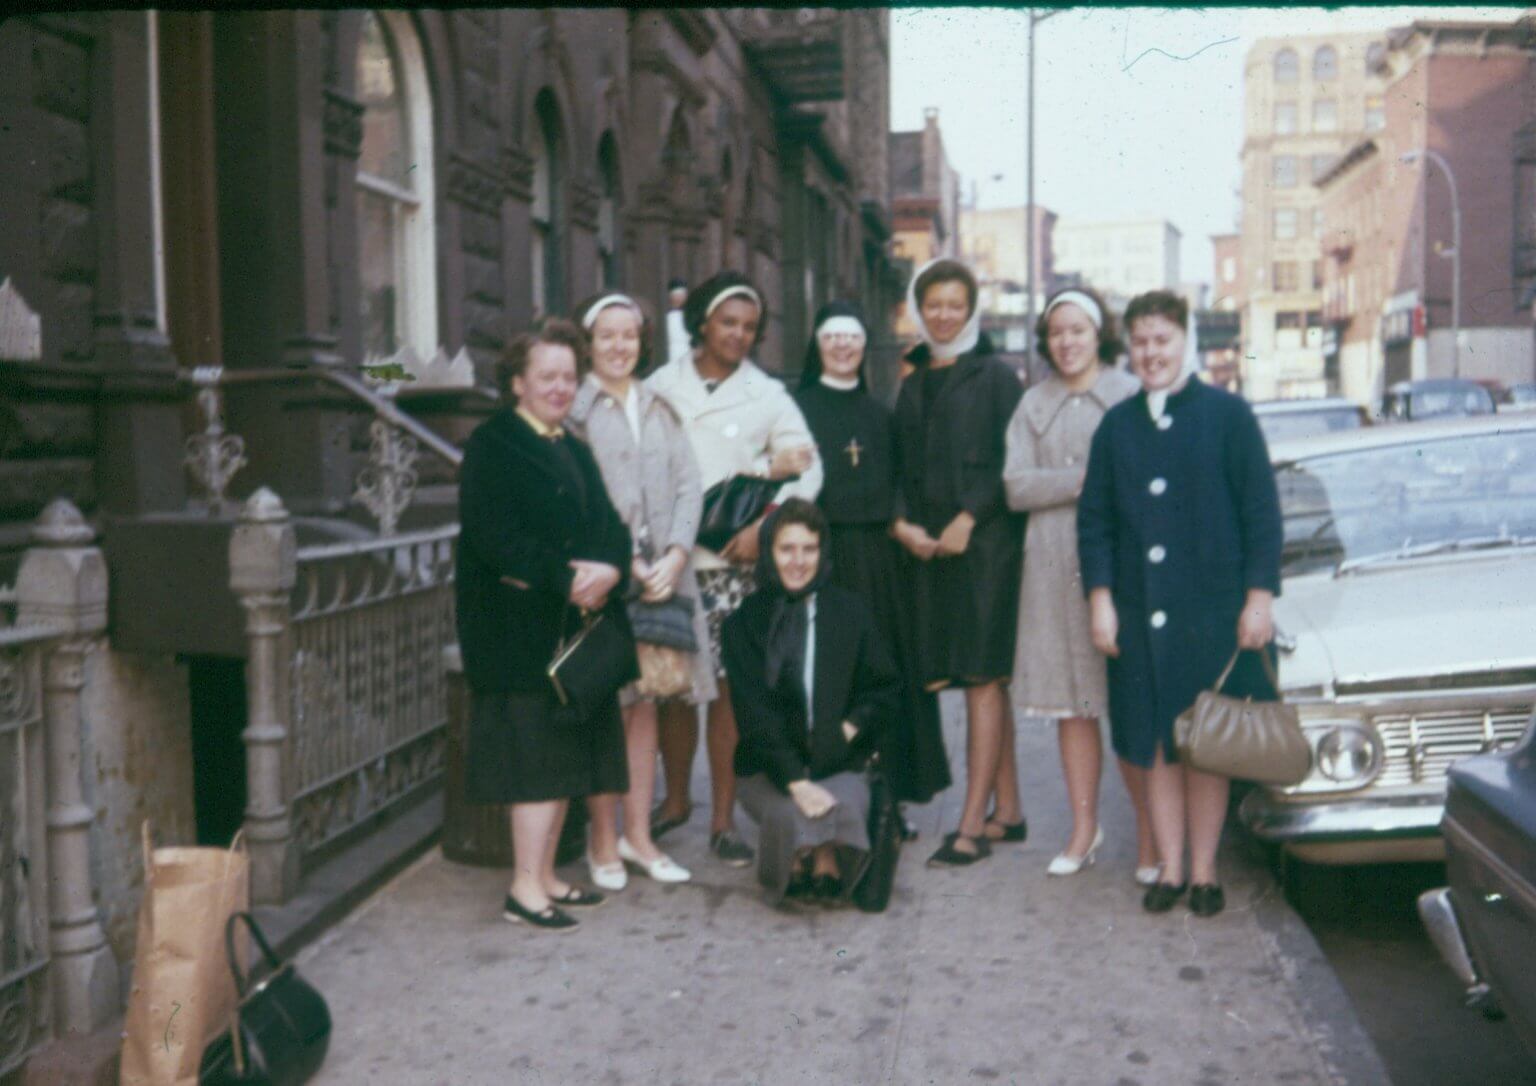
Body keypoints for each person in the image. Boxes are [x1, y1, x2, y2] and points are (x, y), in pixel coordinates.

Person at [1078, 289, 1283, 918]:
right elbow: (1096, 523)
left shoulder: (1228, 416)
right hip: (1139, 618)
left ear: (1185, 342)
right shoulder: (1116, 426)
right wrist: (1102, 600)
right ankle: (1167, 867)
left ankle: (1203, 870)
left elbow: (1260, 514)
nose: (1150, 353)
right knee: (1155, 746)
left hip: (1211, 616)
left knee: (1206, 745)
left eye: (1162, 340)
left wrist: (1258, 598)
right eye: (1140, 342)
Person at [456, 319, 633, 932]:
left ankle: (551, 875)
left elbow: (611, 524)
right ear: (517, 383)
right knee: (535, 764)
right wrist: (568, 578)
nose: (561, 387)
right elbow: (493, 537)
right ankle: (524, 889)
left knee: (562, 760)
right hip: (516, 634)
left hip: (569, 631)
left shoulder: (572, 445)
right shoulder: (492, 444)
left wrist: (612, 569)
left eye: (568, 376)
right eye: (547, 377)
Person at [647, 271, 824, 866]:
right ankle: (674, 803)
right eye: (728, 322)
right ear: (702, 322)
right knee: (673, 689)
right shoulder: (661, 385)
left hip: (731, 565)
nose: (739, 335)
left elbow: (808, 467)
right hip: (673, 559)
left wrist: (765, 526)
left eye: (749, 327)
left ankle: (723, 821)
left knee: (728, 692)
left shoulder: (767, 394)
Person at [1002, 287, 1155, 881]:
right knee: (1073, 707)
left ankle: (1149, 834)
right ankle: (1084, 828)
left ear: (1099, 335)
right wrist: (1086, 478)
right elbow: (1016, 486)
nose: (1066, 342)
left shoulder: (1126, 394)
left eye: (1078, 330)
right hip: (1048, 566)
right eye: (1056, 332)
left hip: (1116, 567)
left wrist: (1067, 483)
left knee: (1127, 706)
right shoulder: (1032, 403)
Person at [567, 293, 716, 890]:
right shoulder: (576, 410)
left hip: (663, 578)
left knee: (649, 702)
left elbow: (689, 483)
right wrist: (623, 560)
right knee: (609, 707)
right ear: (589, 342)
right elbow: (578, 496)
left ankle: (639, 836)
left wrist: (678, 552)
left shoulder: (659, 404)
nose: (619, 346)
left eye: (629, 335)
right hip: (608, 577)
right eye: (607, 335)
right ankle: (602, 842)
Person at [891, 258, 1027, 868]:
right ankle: (1011, 810)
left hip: (986, 550)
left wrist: (971, 515)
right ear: (920, 310)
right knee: (978, 678)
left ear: (972, 309)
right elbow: (900, 464)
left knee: (980, 675)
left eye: (955, 304)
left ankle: (972, 823)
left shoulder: (997, 378)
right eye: (934, 305)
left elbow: (1012, 462)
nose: (944, 315)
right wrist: (905, 527)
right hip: (931, 551)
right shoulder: (912, 379)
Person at [793, 302, 951, 826]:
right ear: (818, 346)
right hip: (818, 559)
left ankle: (886, 799)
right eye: (832, 336)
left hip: (880, 563)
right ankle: (823, 796)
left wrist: (902, 522)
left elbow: (903, 483)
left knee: (881, 677)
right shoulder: (795, 407)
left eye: (852, 336)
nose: (842, 345)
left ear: (863, 347)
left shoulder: (881, 413)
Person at [723, 500, 899, 906]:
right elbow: (754, 718)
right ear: (769, 553)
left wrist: (848, 729)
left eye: (809, 549)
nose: (798, 562)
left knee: (840, 798)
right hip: (771, 770)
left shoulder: (849, 612)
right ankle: (814, 851)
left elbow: (884, 687)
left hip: (838, 759)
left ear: (823, 553)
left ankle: (815, 853)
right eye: (786, 549)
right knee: (790, 810)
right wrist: (797, 783)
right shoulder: (743, 625)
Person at [665, 277, 691, 365]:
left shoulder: (691, 316)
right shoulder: (666, 318)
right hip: (671, 354)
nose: (678, 299)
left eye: (681, 295)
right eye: (676, 296)